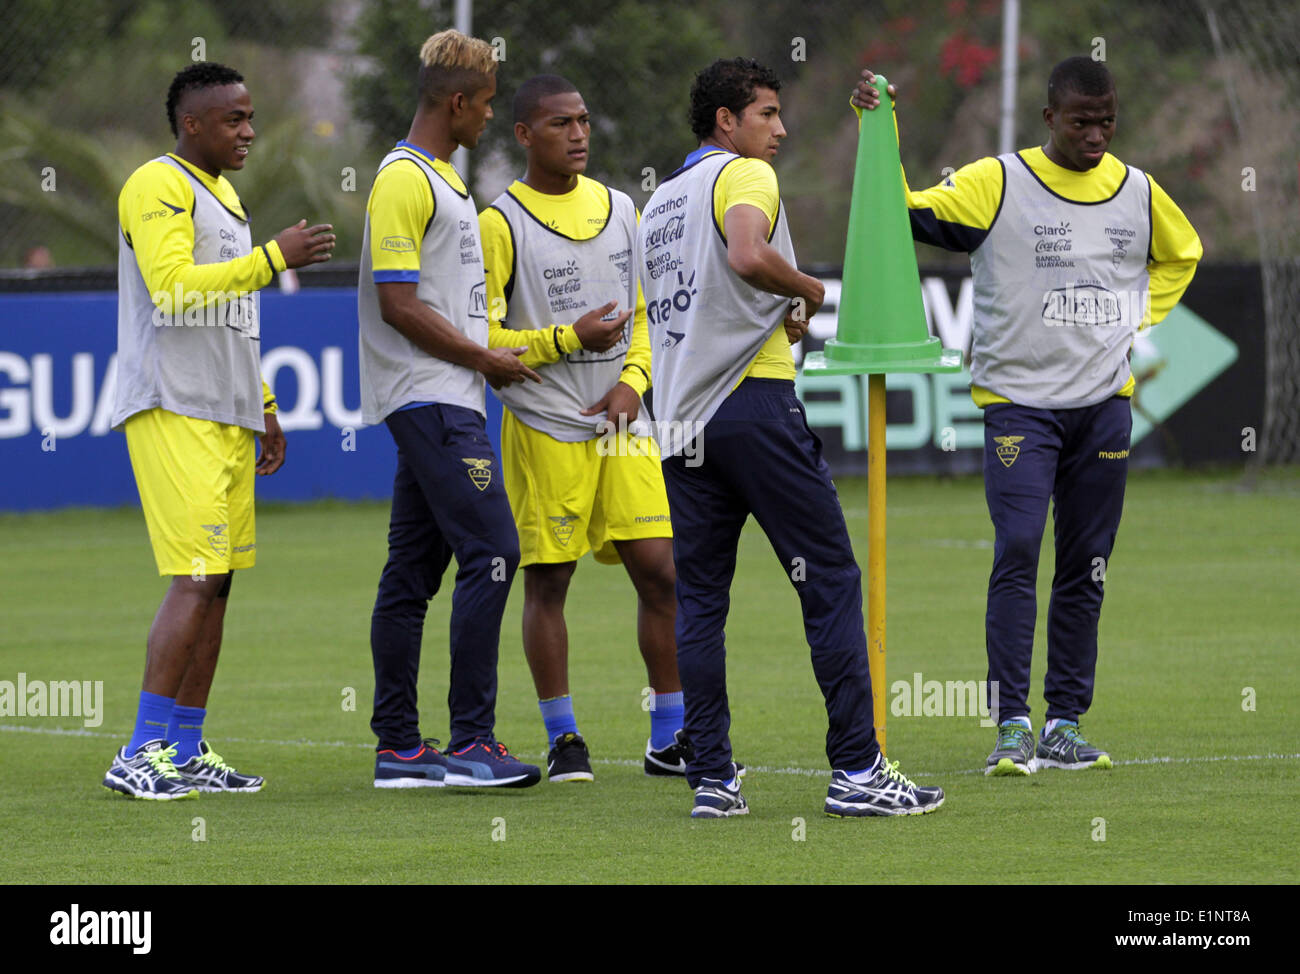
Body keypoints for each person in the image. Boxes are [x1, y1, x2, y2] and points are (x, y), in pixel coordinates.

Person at [853, 57, 1201, 775]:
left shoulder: (1137, 191)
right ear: (1050, 119)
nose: (1096, 135)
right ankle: (1012, 724)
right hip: (1019, 409)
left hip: (1104, 408)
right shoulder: (996, 181)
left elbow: (1183, 253)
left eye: (1107, 121)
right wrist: (877, 125)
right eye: (1081, 121)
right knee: (1017, 549)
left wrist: (1138, 318)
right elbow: (904, 208)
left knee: (1087, 565)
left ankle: (1064, 724)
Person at [637, 57, 945, 818]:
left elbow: (698, 301)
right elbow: (746, 255)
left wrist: (778, 307)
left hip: (681, 427)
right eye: (767, 114)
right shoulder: (744, 178)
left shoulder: (660, 204)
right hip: (753, 410)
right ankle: (858, 772)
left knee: (701, 603)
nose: (780, 128)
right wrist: (808, 288)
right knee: (830, 581)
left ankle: (712, 779)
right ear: (726, 122)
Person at [105, 61, 336, 799]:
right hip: (174, 403)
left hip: (226, 410)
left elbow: (230, 317)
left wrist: (262, 403)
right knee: (195, 577)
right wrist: (273, 257)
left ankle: (183, 746)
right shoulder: (156, 184)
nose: (248, 130)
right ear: (191, 124)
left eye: (250, 116)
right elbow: (172, 293)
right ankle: (137, 752)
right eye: (234, 118)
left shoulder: (225, 197)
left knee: (220, 586)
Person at [478, 75, 686, 783]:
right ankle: (564, 737)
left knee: (660, 572)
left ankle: (671, 734)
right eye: (561, 123)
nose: (578, 134)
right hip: (545, 421)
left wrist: (634, 381)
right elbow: (484, 337)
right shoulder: (498, 222)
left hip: (622, 420)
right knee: (550, 581)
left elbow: (644, 310)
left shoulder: (623, 207)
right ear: (524, 136)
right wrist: (568, 339)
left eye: (585, 120)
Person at [358, 29, 542, 790]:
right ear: (457, 101)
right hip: (430, 397)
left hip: (450, 394)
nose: (490, 119)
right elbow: (399, 305)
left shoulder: (443, 180)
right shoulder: (404, 180)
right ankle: (472, 742)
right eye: (489, 105)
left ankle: (399, 750)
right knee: (495, 551)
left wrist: (497, 354)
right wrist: (483, 360)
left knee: (411, 573)